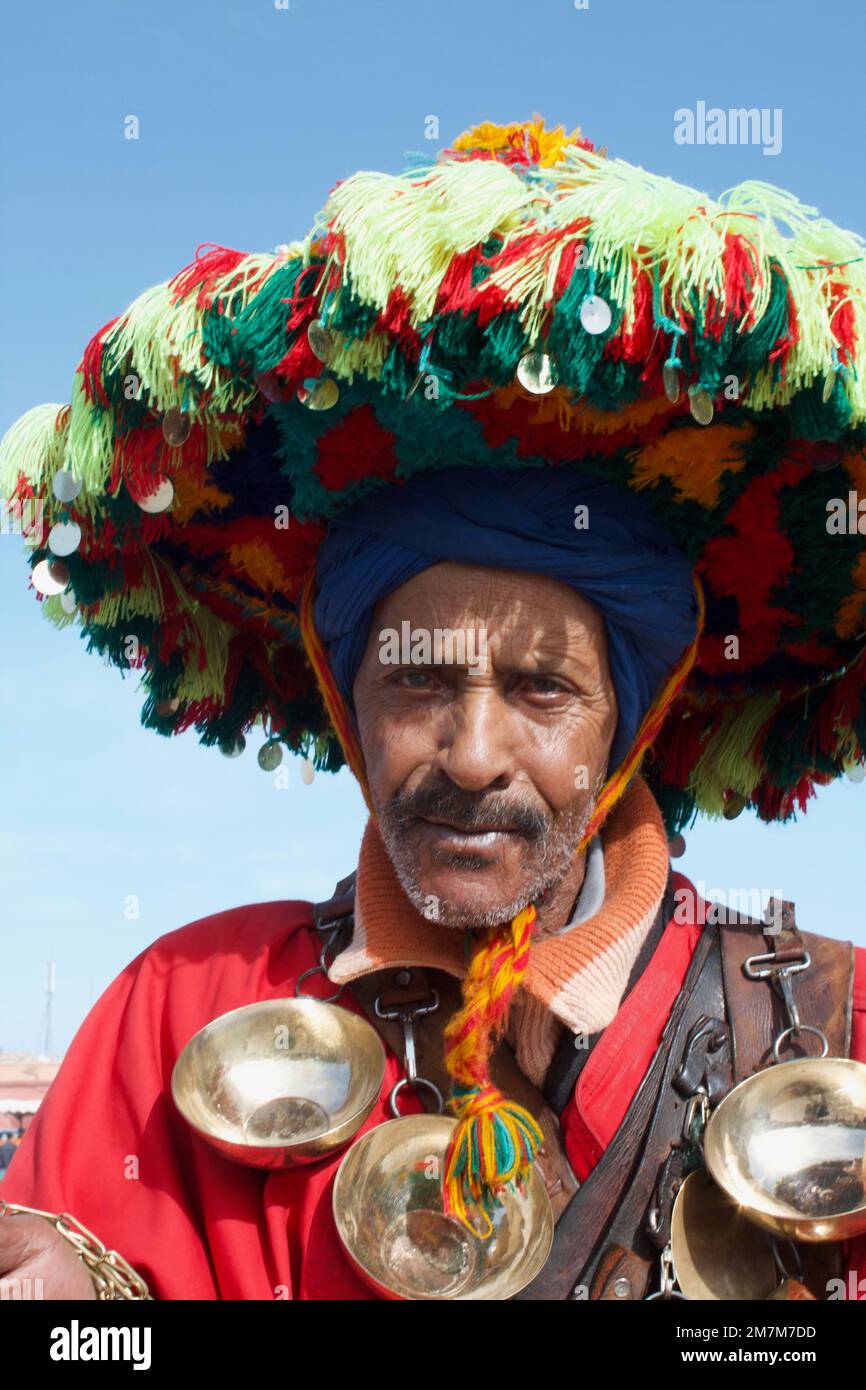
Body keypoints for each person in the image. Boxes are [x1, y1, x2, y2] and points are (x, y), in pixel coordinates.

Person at [1, 117, 865, 1301]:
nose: (470, 755)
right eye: (415, 680)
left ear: (632, 718)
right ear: (346, 706)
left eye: (540, 687)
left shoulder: (830, 1024)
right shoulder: (184, 1004)